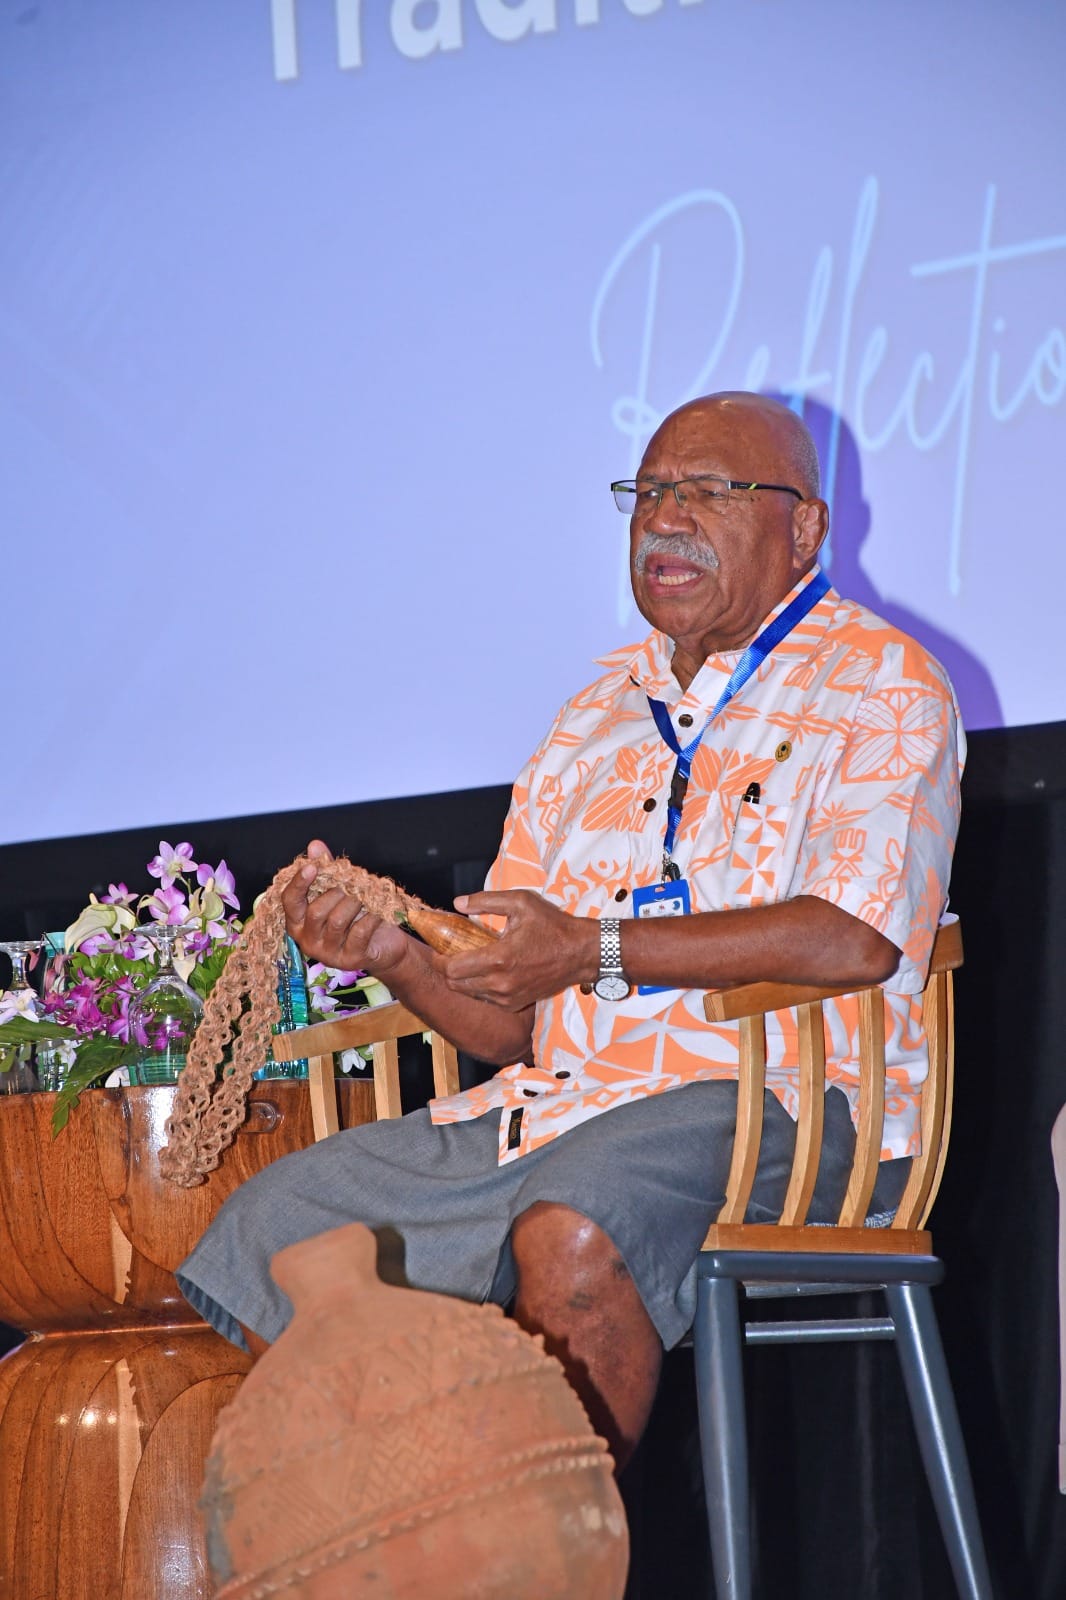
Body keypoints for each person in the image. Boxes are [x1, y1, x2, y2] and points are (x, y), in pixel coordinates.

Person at [178, 391, 963, 1470]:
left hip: (793, 1107)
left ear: (805, 529)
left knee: (576, 1218)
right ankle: (389, 1550)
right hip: (563, 1110)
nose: (663, 518)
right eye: (646, 493)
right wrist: (396, 955)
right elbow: (510, 1025)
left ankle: (557, 1561)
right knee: (290, 1221)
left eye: (707, 491)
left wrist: (589, 948)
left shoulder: (883, 683)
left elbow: (854, 941)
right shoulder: (588, 721)